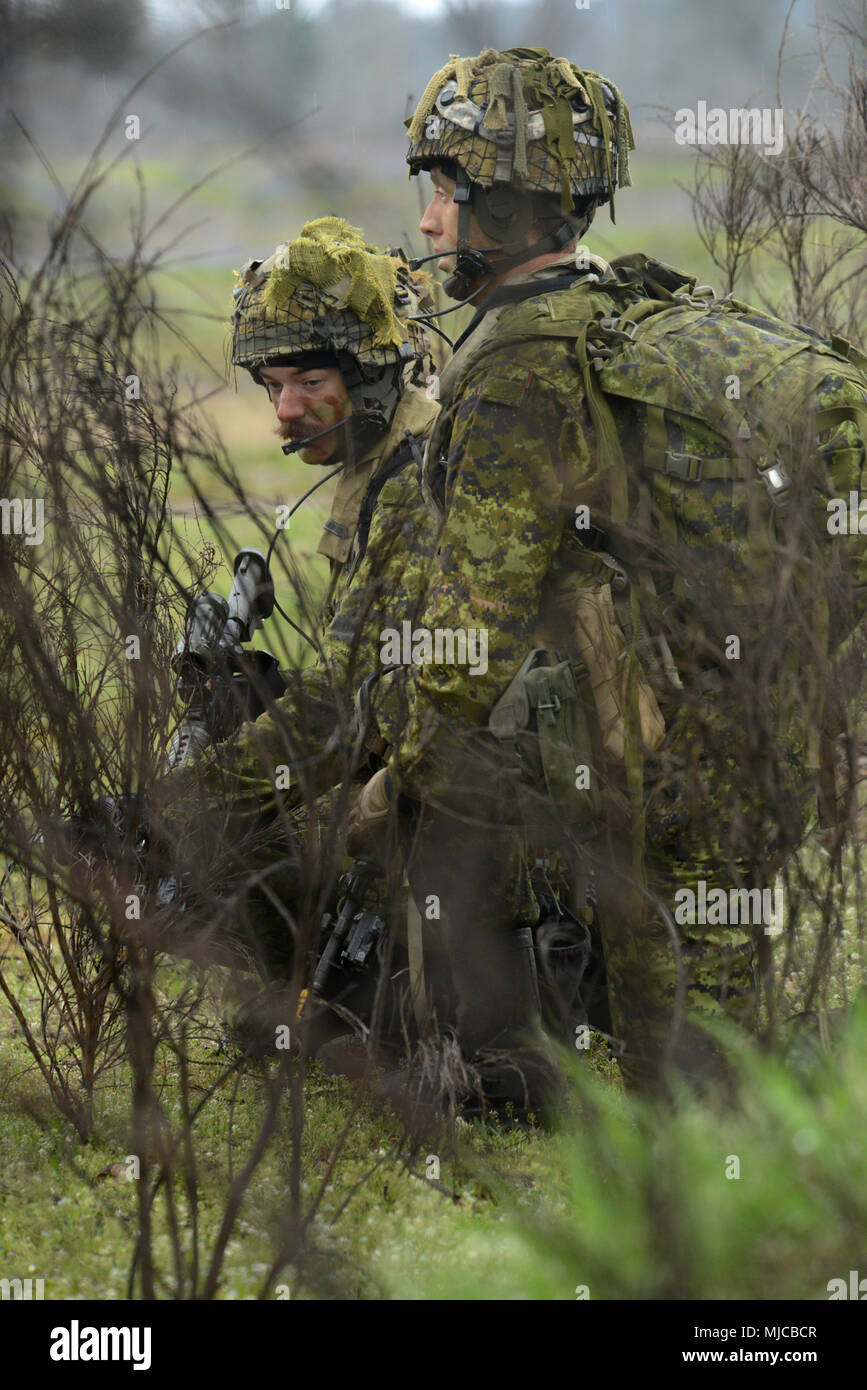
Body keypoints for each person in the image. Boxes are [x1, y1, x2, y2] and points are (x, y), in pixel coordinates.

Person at [351, 46, 867, 1097]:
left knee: (696, 1054)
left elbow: (461, 647)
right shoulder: (627, 309)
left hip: (707, 722)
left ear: (498, 199)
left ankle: (734, 1206)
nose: (429, 221)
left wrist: (383, 784)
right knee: (714, 1008)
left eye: (443, 190)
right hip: (779, 682)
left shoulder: (520, 365)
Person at [158, 219, 441, 1029]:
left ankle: (345, 1002)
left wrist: (190, 801)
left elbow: (349, 710)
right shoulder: (377, 460)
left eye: (311, 381)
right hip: (427, 770)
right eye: (273, 386)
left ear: (374, 372)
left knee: (229, 820)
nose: (285, 410)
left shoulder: (417, 475)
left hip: (472, 809)